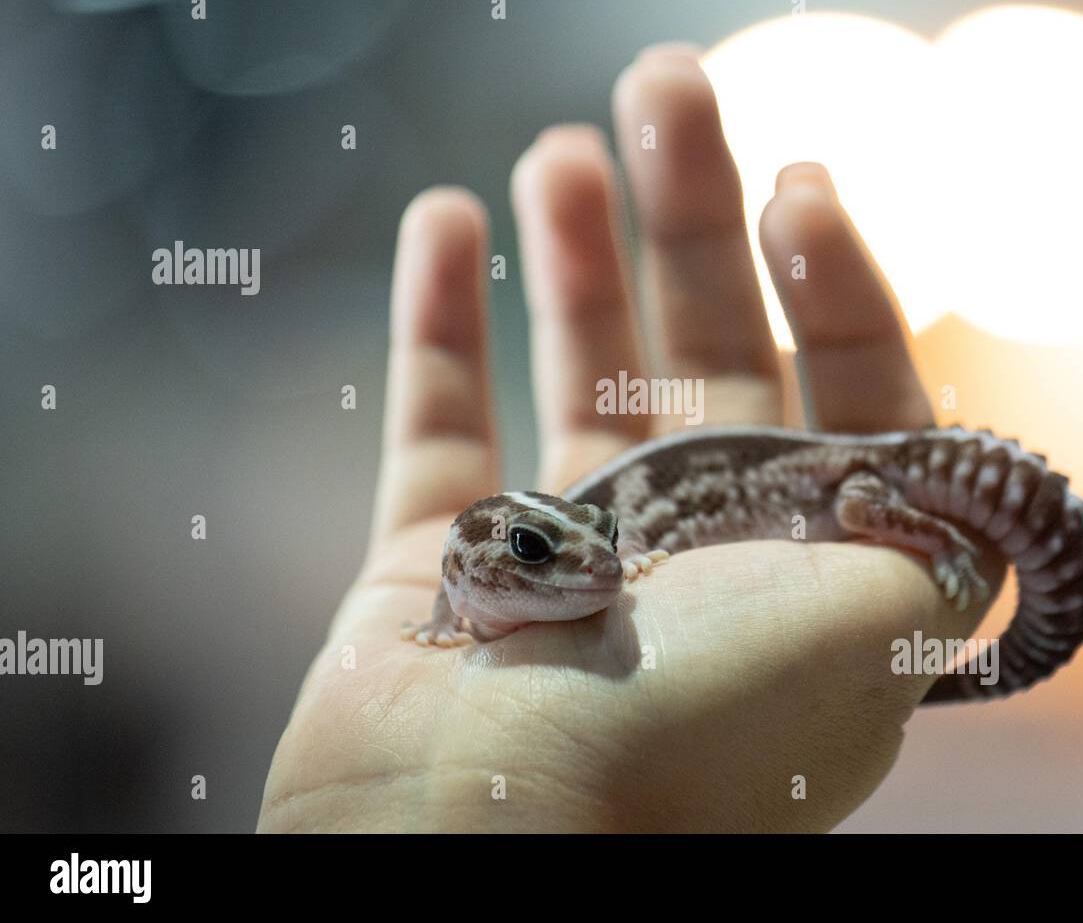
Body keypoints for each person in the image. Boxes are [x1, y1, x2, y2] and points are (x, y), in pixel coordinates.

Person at [258, 43, 1001, 832]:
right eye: (537, 553)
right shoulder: (459, 582)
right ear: (469, 569)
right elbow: (451, 594)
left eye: (605, 540)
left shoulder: (526, 572)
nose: (605, 565)